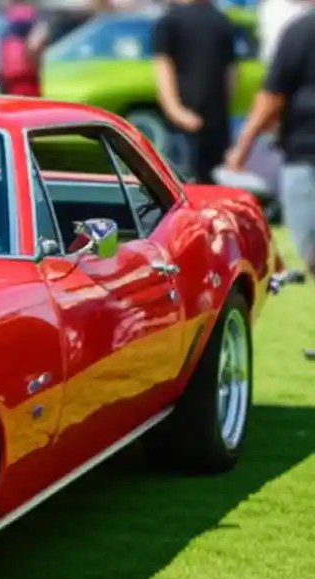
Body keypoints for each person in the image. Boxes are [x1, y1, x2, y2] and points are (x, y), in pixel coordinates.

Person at [226, 6, 315, 359]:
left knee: (310, 247)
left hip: (307, 156)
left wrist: (242, 146)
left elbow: (272, 95)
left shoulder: (303, 30)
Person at [152, 0, 237, 184]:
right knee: (211, 187)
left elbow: (163, 69)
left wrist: (175, 110)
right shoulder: (222, 20)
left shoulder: (169, 20)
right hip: (215, 123)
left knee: (179, 186)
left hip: (183, 122)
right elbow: (231, 76)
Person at [0, 1, 48, 96]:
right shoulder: (32, 15)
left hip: (9, 79)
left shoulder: (6, 16)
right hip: (25, 79)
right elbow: (34, 45)